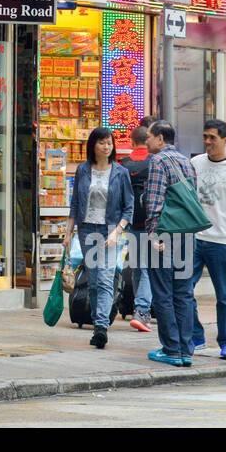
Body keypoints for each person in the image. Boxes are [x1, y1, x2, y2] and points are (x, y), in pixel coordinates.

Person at [186, 119, 226, 361]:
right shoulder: (195, 163)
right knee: (183, 290)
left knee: (225, 295)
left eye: (212, 137)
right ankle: (195, 336)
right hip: (194, 237)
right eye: (205, 137)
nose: (207, 142)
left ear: (225, 139)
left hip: (222, 240)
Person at [65, 126, 133, 350]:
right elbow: (75, 204)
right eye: (102, 142)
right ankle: (97, 324)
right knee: (93, 281)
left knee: (105, 279)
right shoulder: (83, 170)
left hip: (109, 230)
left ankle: (102, 328)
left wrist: (117, 231)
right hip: (86, 230)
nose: (106, 146)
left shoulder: (120, 172)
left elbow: (128, 207)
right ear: (93, 145)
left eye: (109, 143)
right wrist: (68, 233)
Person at [143, 121, 198, 367]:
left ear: (160, 138)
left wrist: (153, 235)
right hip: (186, 234)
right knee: (184, 293)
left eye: (149, 137)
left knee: (163, 293)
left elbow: (154, 201)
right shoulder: (187, 161)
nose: (146, 142)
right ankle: (186, 349)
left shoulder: (158, 162)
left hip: (164, 235)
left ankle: (171, 349)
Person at [121, 124, 154, 332]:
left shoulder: (123, 164)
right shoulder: (155, 162)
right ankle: (142, 311)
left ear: (132, 142)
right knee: (148, 268)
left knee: (136, 267)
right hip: (152, 223)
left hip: (131, 222)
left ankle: (138, 307)